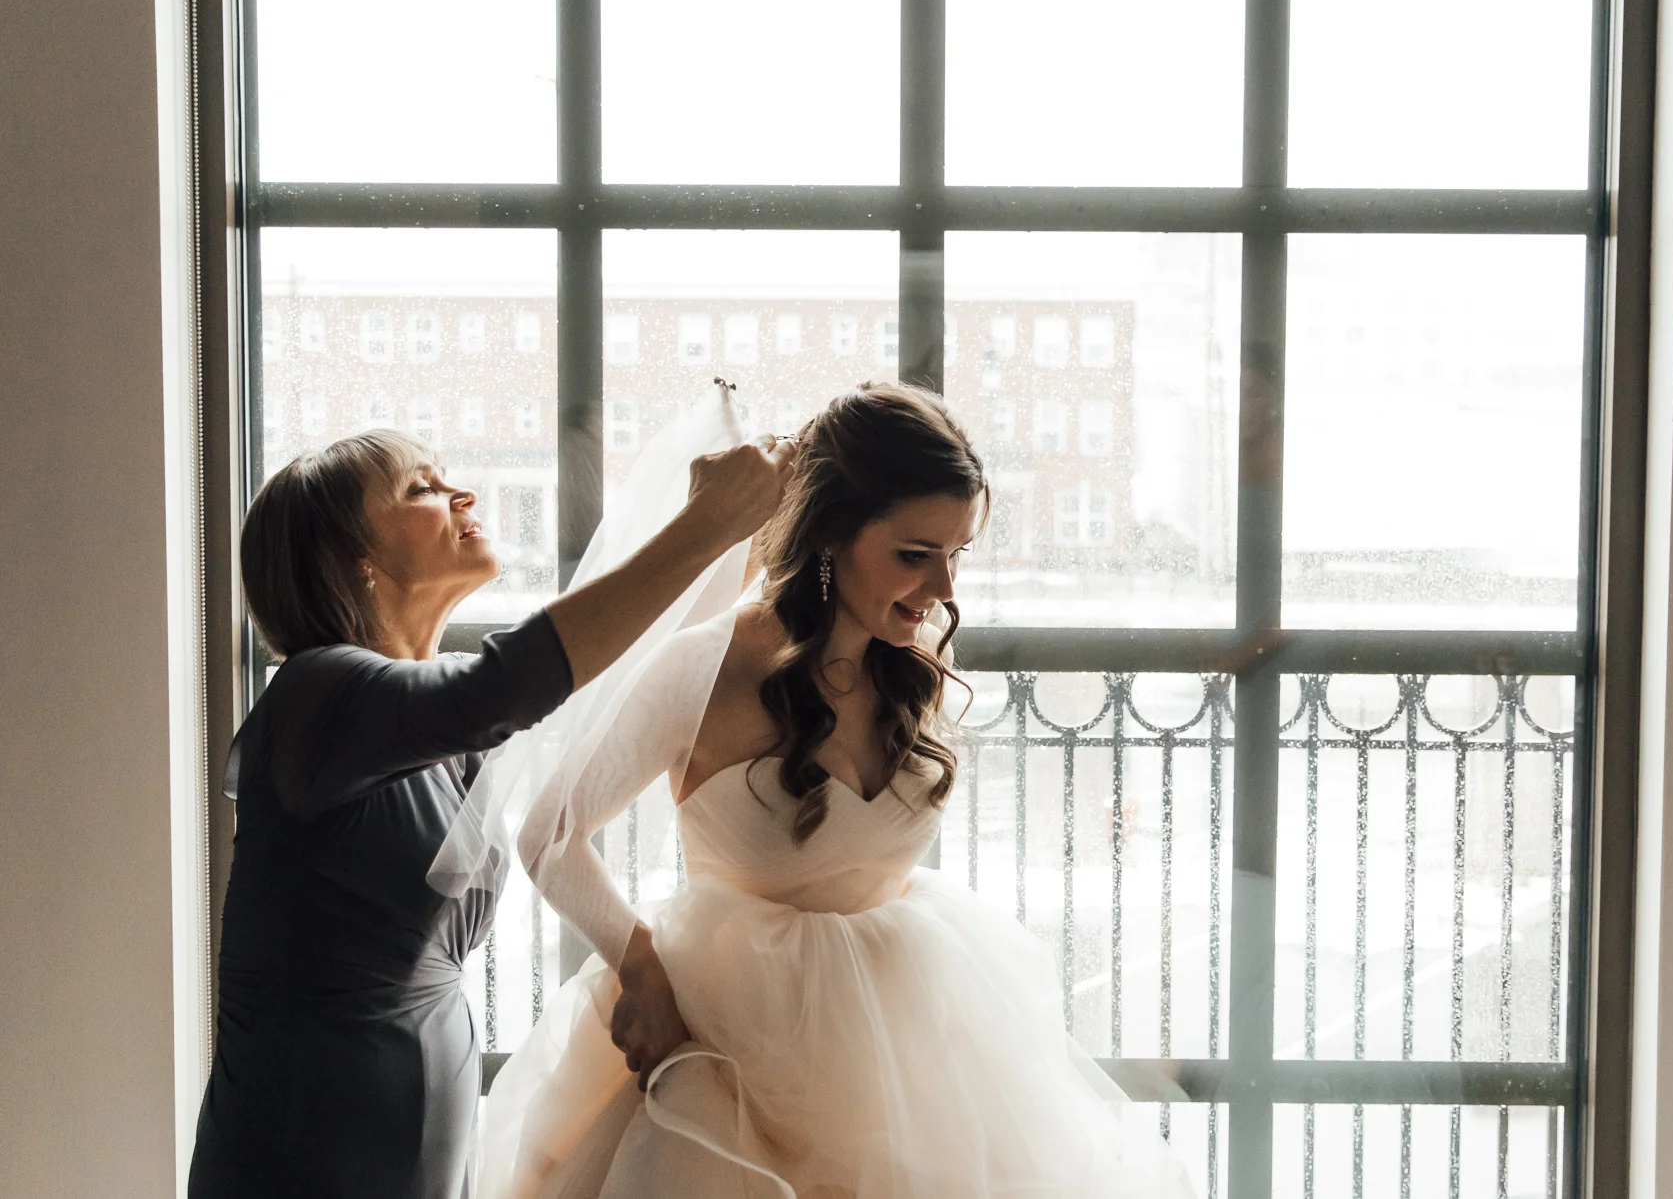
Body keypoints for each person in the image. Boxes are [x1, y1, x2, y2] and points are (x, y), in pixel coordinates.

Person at [475, 382, 1193, 1199]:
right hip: (725, 1041)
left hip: (910, 1031)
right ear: (831, 535)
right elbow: (547, 831)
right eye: (915, 554)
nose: (945, 588)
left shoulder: (913, 663)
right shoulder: (702, 667)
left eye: (957, 553)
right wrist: (641, 968)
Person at [186, 407, 796, 1199]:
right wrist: (703, 522)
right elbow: (510, 685)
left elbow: (577, 689)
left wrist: (737, 542)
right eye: (424, 487)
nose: (463, 492)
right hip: (298, 1153)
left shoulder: (435, 729)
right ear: (355, 559)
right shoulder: (319, 692)